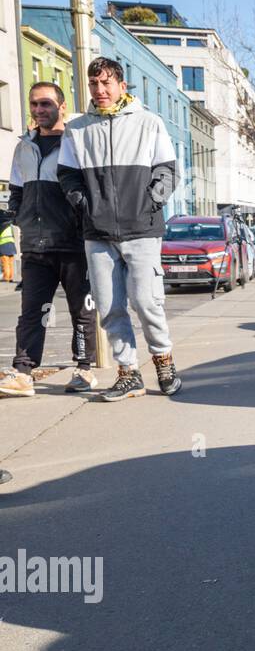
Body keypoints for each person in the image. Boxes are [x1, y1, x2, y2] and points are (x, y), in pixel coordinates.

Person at [58, 57, 181, 401]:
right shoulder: (77, 128)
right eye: (94, 84)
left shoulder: (148, 123)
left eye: (106, 83)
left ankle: (163, 360)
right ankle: (128, 373)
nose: (100, 90)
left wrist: (150, 202)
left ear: (121, 86)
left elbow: (167, 170)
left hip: (142, 229)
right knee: (110, 307)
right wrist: (85, 204)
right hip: (97, 233)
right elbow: (67, 175)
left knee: (146, 301)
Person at [0, 82, 98, 399]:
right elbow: (17, 191)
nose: (39, 110)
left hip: (74, 245)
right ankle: (23, 373)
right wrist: (13, 214)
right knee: (33, 312)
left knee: (81, 312)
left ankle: (84, 370)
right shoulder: (23, 147)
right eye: (34, 104)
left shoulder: (76, 143)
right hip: (35, 246)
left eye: (45, 104)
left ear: (61, 106)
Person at [0, 212, 15, 283]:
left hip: (4, 245)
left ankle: (6, 277)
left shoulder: (1, 226)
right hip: (11, 244)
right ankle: (10, 277)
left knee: (5, 262)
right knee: (10, 262)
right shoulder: (9, 226)